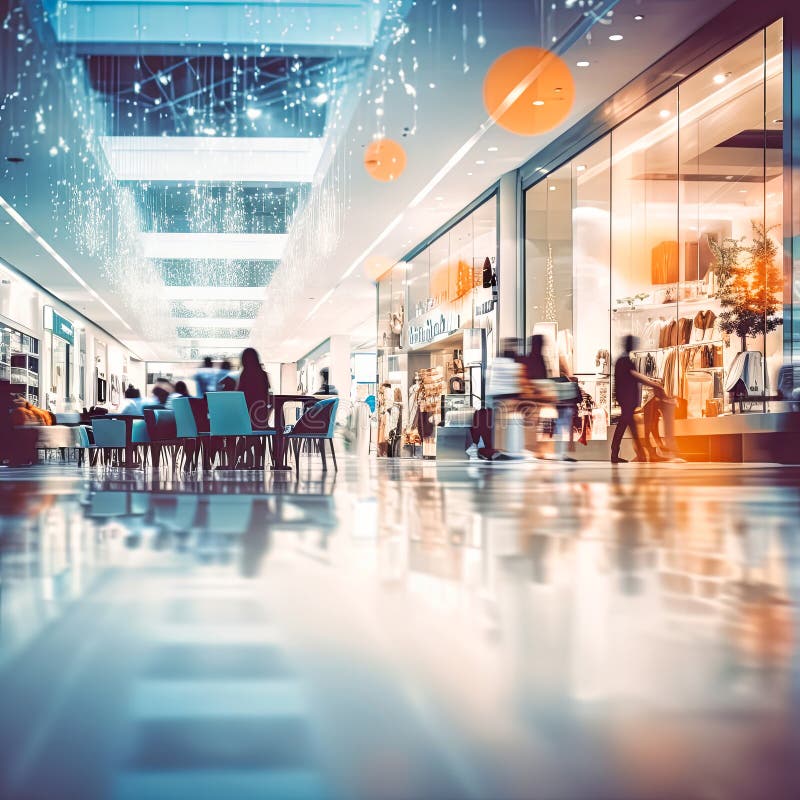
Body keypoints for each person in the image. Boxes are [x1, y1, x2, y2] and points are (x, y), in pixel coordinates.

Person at [610, 335, 666, 464]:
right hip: (627, 400)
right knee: (625, 426)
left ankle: (638, 453)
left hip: (626, 400)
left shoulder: (622, 361)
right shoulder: (625, 361)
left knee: (627, 426)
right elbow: (635, 376)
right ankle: (639, 453)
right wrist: (654, 384)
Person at [237, 347, 272, 429]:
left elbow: (240, 397)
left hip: (247, 415)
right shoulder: (263, 375)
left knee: (246, 427)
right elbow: (268, 396)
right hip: (261, 416)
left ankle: (249, 440)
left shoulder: (243, 376)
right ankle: (254, 440)